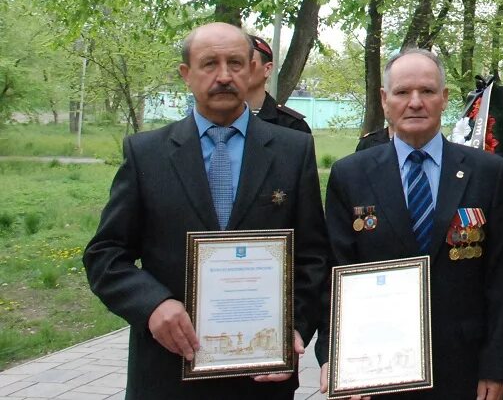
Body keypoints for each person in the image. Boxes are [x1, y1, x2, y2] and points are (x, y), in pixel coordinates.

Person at [83, 22, 329, 400]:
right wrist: (152, 304)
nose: (224, 76)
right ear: (187, 74)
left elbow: (312, 256)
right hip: (168, 371)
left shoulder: (292, 151)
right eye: (209, 64)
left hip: (262, 377)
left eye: (234, 63)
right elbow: (105, 255)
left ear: (252, 69)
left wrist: (293, 327)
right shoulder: (146, 154)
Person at [319, 48, 503, 400]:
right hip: (377, 367)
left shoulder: (486, 172)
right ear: (384, 99)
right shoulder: (351, 175)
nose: (415, 102)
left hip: (465, 368)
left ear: (443, 99)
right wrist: (336, 357)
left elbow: (502, 275)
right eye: (402, 92)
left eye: (427, 91)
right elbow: (335, 271)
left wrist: (497, 363)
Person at [246, 33, 312, 134]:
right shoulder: (217, 118)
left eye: (247, 62)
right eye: (234, 62)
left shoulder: (292, 126)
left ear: (267, 69)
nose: (238, 69)